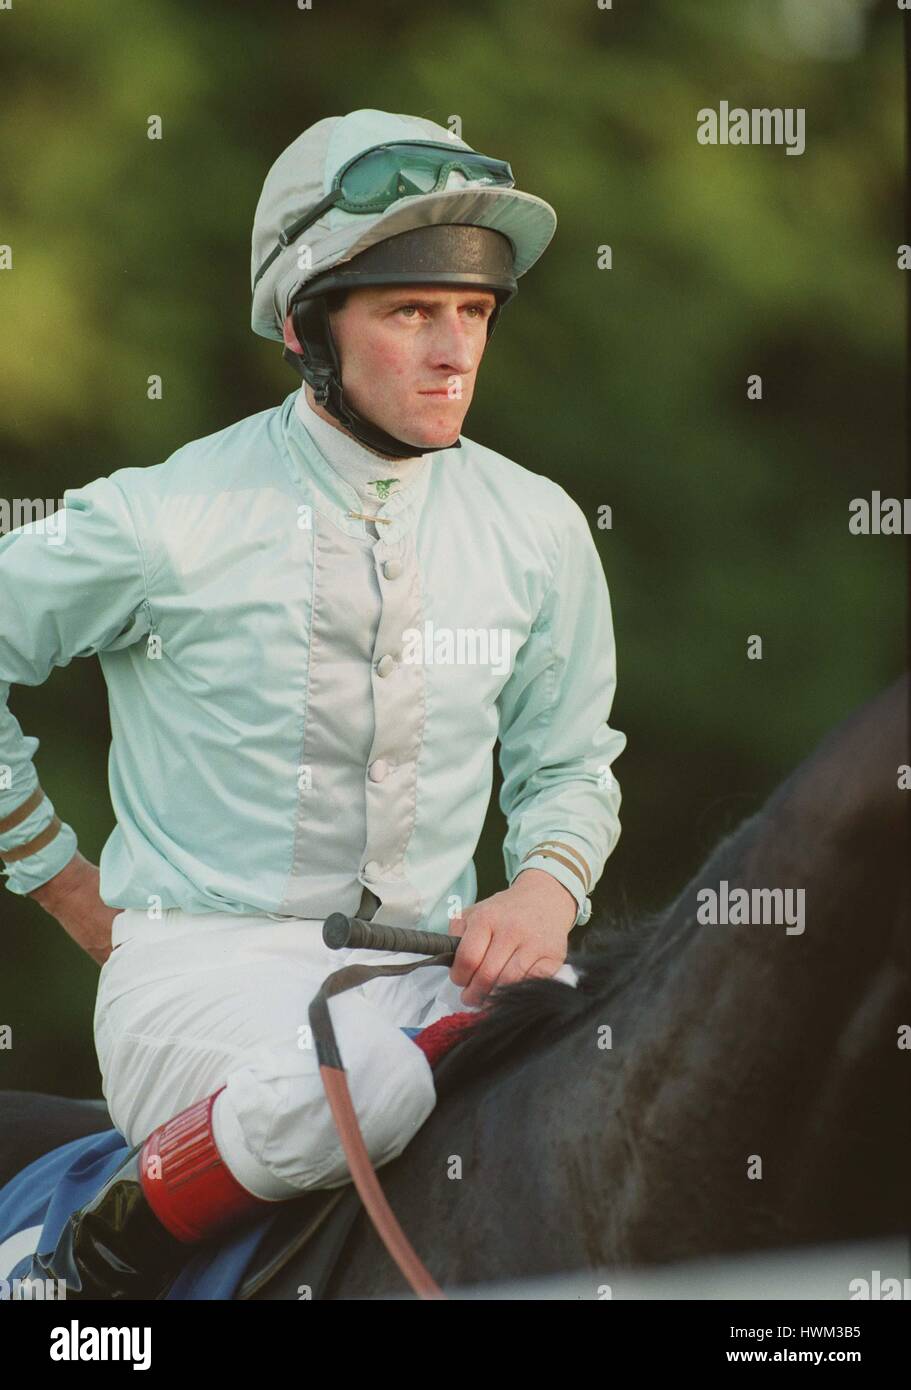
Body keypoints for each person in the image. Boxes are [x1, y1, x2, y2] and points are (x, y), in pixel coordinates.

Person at [0, 109, 626, 1299]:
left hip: (442, 977)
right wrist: (67, 884)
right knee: (373, 1086)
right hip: (199, 976)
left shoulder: (539, 524)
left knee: (637, 1048)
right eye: (407, 312)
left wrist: (545, 885)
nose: (454, 352)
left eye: (472, 313)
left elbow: (569, 762)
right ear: (303, 327)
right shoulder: (163, 514)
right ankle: (84, 1258)